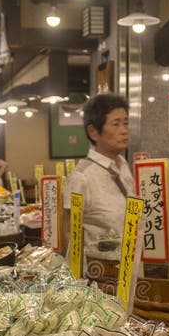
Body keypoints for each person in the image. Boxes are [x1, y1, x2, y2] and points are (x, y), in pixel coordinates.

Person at [62, 94, 134, 252]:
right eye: (116, 124)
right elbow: (68, 232)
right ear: (93, 132)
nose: (124, 131)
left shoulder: (123, 164)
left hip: (129, 259)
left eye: (126, 123)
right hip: (98, 265)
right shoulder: (81, 177)